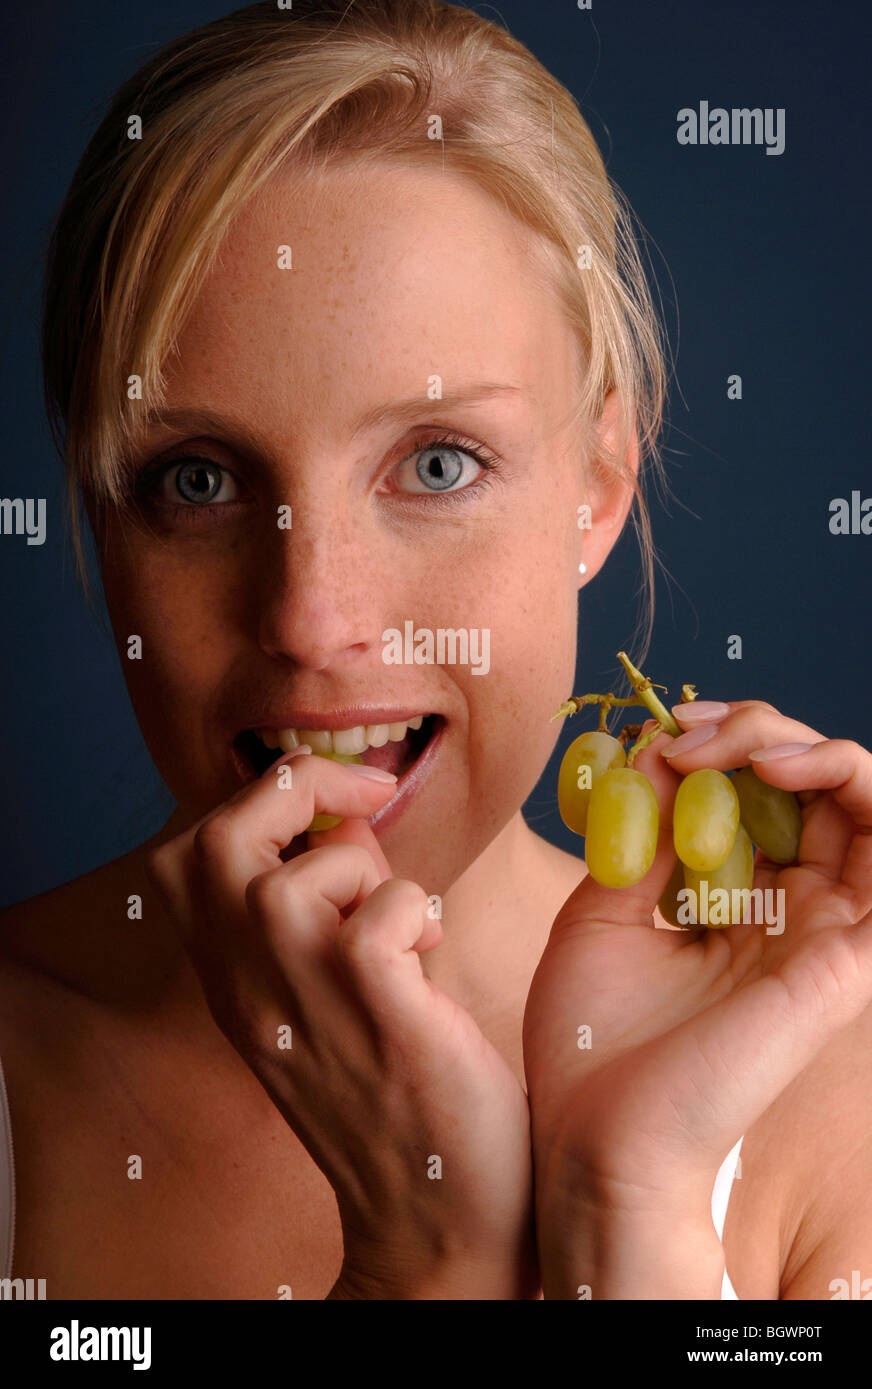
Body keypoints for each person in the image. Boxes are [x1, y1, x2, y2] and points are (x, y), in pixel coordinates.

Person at [2, 0, 871, 1300]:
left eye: (439, 464)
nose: (308, 619)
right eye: (196, 480)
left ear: (598, 482)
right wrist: (430, 1263)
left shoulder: (833, 1078)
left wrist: (631, 1213)